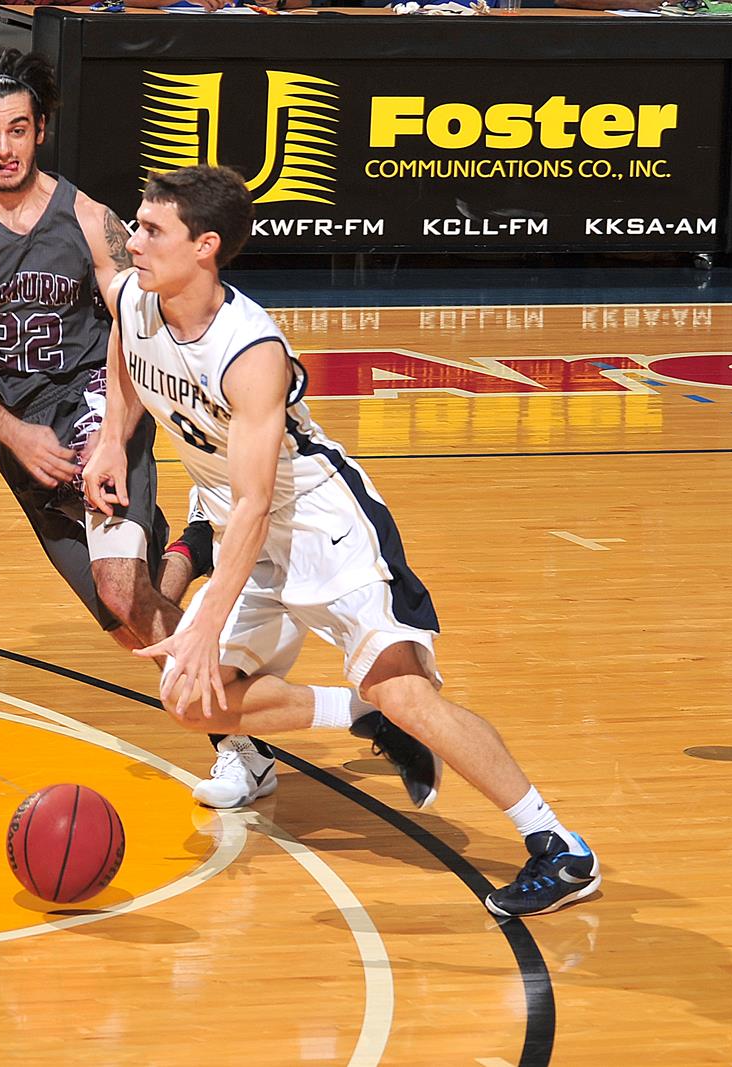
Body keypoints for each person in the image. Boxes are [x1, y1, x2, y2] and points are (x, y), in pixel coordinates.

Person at [0, 48, 437, 811]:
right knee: (130, 616)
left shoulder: (90, 218)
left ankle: (295, 715)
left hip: (97, 413)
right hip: (22, 438)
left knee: (125, 586)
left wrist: (116, 431)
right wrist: (14, 432)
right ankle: (285, 726)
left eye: (19, 129)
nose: (5, 147)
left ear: (41, 128)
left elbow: (140, 314)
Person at [83, 165, 601, 919]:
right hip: (239, 525)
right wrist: (107, 440)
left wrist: (201, 623)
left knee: (406, 690)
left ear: (206, 247)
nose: (135, 240)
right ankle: (358, 719)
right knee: (191, 703)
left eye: (152, 229)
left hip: (323, 523)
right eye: (136, 223)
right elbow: (128, 363)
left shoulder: (250, 349)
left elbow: (261, 500)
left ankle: (560, 846)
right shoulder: (137, 295)